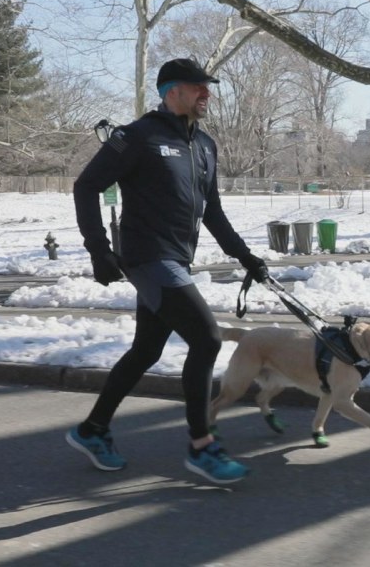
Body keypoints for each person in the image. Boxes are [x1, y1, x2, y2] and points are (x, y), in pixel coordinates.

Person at [66, 58, 270, 484]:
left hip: (175, 259)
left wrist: (246, 257)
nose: (206, 94)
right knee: (207, 337)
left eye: (207, 88)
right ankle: (201, 446)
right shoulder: (136, 136)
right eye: (199, 87)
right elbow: (86, 185)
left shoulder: (205, 145)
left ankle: (92, 430)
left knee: (147, 351)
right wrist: (98, 250)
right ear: (171, 90)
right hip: (147, 257)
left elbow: (212, 212)